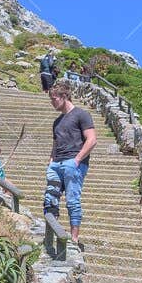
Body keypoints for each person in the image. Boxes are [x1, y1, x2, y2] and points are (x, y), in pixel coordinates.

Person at [44, 80, 96, 244]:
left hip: (73, 163)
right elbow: (55, 144)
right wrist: (51, 162)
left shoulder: (82, 114)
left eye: (54, 99)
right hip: (56, 164)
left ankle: (73, 239)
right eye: (51, 99)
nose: (52, 102)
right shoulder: (57, 121)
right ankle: (53, 235)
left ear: (64, 96)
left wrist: (77, 160)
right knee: (50, 200)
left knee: (72, 200)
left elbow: (92, 139)